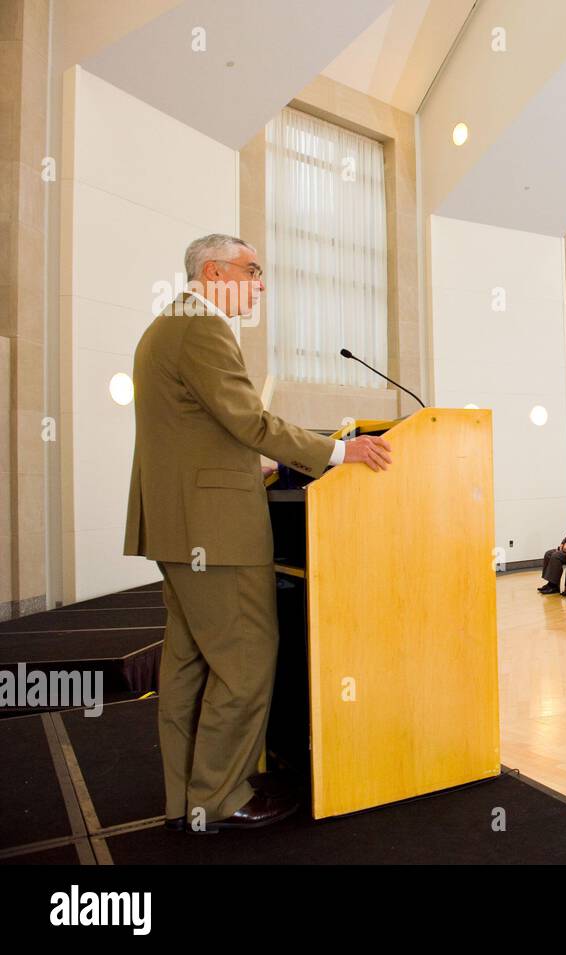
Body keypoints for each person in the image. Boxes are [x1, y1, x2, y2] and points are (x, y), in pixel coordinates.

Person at [125, 234, 393, 832]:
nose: (261, 284)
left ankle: (187, 800)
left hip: (180, 522)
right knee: (244, 662)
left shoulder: (167, 325)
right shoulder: (201, 324)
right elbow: (248, 418)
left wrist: (254, 463)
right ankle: (221, 799)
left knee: (189, 665)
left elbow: (204, 430)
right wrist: (339, 451)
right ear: (215, 271)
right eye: (252, 270)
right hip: (215, 531)